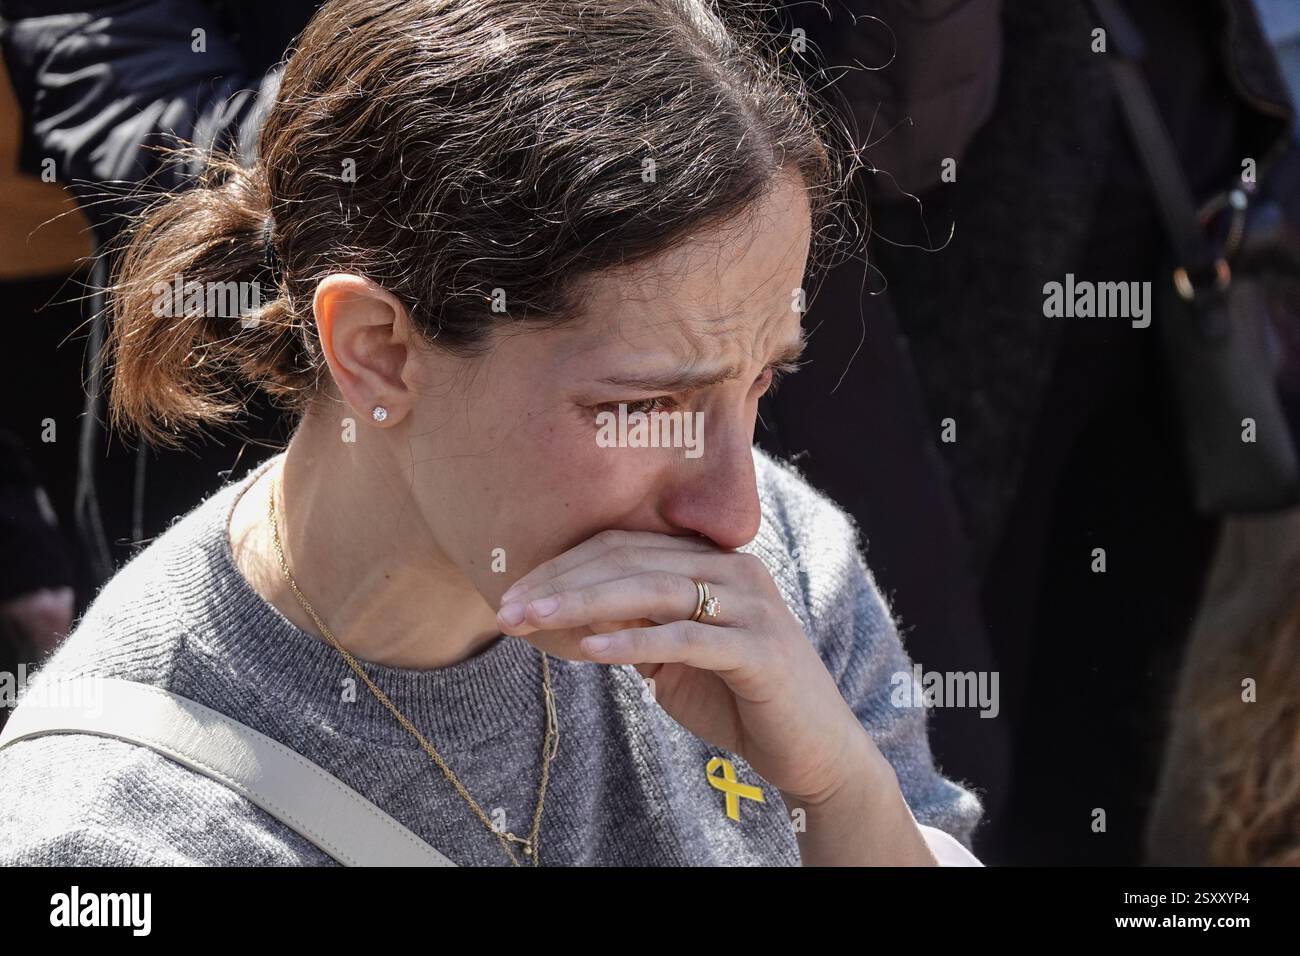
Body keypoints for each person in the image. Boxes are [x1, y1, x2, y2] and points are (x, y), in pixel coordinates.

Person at [0, 0, 982, 866]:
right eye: (638, 407)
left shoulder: (785, 575)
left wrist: (844, 800)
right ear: (379, 350)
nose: (734, 511)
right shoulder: (123, 826)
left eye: (761, 378)